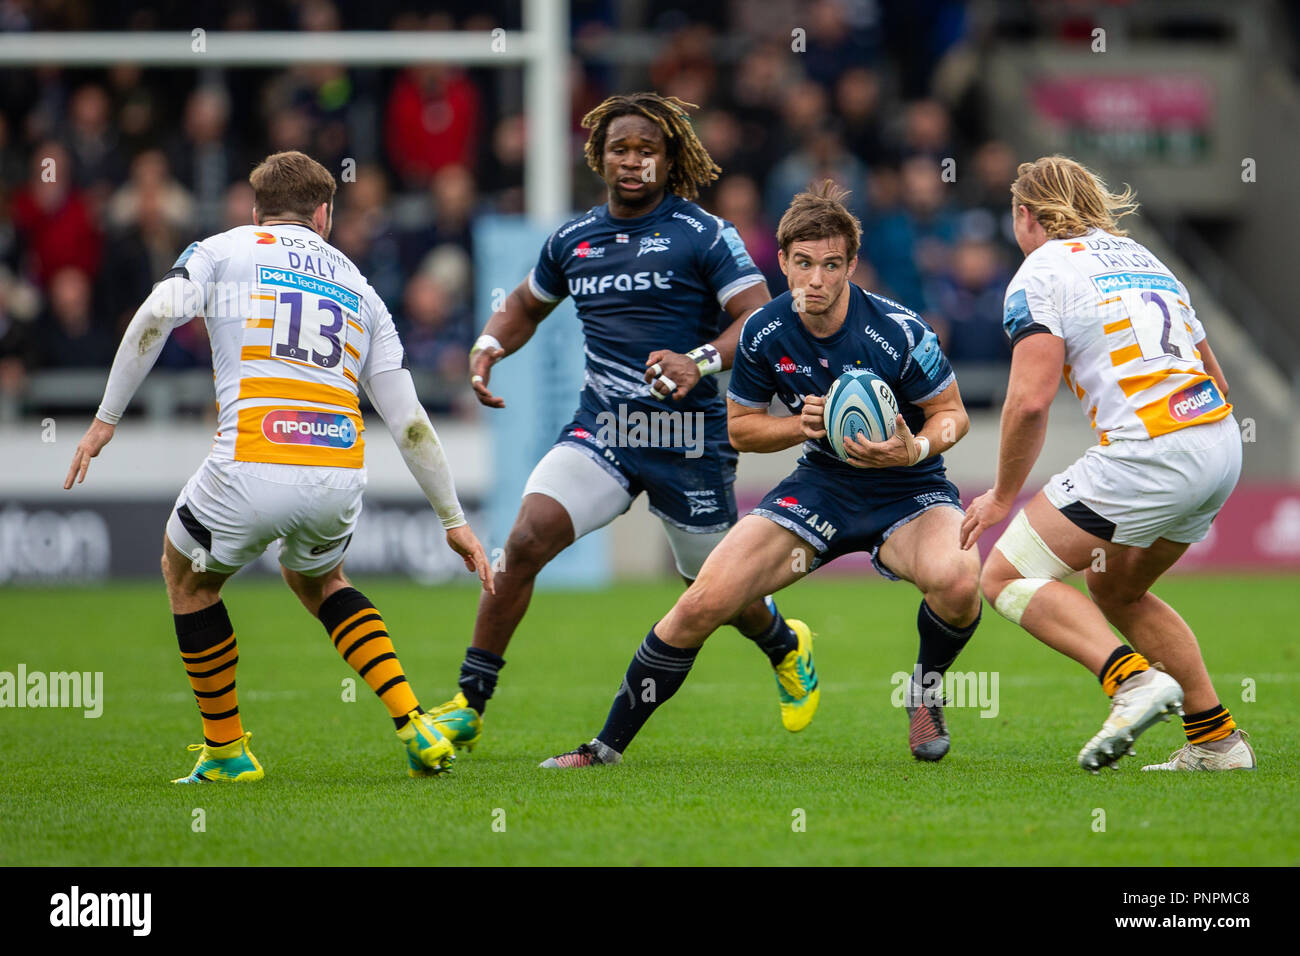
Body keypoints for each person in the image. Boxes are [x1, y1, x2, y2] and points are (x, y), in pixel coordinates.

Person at [63, 150, 493, 783]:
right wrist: (452, 518)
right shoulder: (361, 287)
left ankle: (227, 752)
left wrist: (105, 418)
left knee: (188, 579)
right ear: (323, 215)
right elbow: (408, 420)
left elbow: (156, 314)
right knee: (322, 581)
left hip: (252, 458)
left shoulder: (223, 249)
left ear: (255, 207)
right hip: (339, 468)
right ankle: (413, 720)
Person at [541, 181, 982, 769]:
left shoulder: (898, 329)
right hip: (822, 485)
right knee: (703, 601)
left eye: (831, 265)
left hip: (909, 489)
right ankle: (603, 748)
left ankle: (924, 693)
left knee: (957, 580)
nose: (816, 280)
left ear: (852, 265)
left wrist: (914, 447)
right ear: (782, 262)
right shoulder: (763, 331)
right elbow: (743, 428)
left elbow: (953, 414)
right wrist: (800, 426)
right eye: (803, 264)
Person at [428, 93, 819, 750]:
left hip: (690, 443)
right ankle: (469, 701)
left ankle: (784, 642)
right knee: (524, 541)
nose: (633, 160)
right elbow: (523, 305)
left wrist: (699, 360)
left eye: (647, 149)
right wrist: (488, 346)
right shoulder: (574, 240)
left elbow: (762, 317)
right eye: (621, 149)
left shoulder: (702, 233)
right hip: (604, 432)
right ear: (599, 157)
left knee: (721, 595)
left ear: (668, 159)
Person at [961, 155, 1254, 772]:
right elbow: (1217, 377)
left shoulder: (1039, 269)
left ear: (1025, 214)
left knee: (1004, 577)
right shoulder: (1147, 260)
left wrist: (1000, 494)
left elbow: (1030, 399)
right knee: (1116, 587)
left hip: (1151, 452)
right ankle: (1217, 742)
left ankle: (1132, 683)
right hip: (1219, 441)